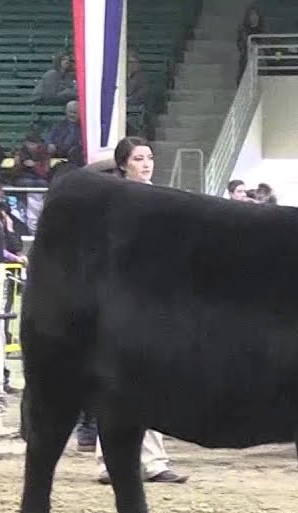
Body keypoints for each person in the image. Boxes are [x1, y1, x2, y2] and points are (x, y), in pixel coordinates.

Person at [91, 136, 189, 485]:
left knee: (152, 381)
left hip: (156, 302)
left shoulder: (163, 200)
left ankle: (154, 461)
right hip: (120, 301)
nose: (146, 164)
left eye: (149, 158)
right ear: (123, 164)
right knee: (115, 382)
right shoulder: (112, 203)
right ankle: (110, 462)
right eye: (138, 159)